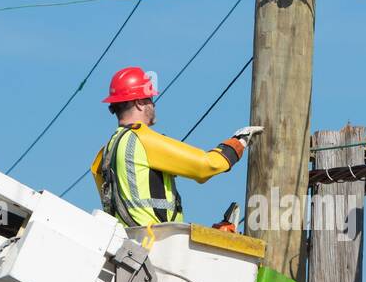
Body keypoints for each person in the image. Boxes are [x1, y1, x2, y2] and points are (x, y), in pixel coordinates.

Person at [91, 67, 262, 227]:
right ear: (139, 102)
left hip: (127, 244)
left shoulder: (106, 151)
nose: (153, 104)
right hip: (156, 241)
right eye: (150, 99)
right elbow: (206, 165)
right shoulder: (142, 138)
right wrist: (238, 142)